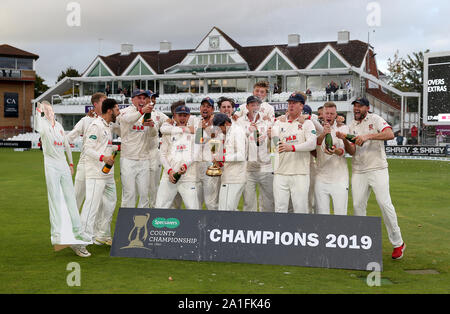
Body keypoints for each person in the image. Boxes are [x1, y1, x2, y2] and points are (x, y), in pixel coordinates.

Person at [336, 97, 405, 260]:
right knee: (358, 206)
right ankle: (362, 242)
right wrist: (344, 139)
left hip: (377, 168)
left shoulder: (375, 119)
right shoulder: (352, 125)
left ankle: (398, 243)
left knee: (384, 203)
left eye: (359, 106)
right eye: (354, 107)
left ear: (367, 108)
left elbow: (389, 134)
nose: (356, 109)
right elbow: (352, 151)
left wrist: (367, 136)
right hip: (359, 170)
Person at [35, 101, 90, 251]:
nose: (49, 112)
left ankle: (77, 232)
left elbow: (67, 146)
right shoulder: (43, 125)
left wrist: (71, 164)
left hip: (64, 165)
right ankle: (57, 235)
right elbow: (36, 125)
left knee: (70, 198)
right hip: (51, 164)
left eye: (50, 110)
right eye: (46, 111)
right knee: (54, 198)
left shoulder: (59, 127)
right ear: (43, 113)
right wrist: (38, 111)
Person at [76, 98, 120, 256]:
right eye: (116, 109)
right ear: (109, 110)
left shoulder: (108, 126)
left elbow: (103, 145)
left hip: (107, 174)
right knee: (91, 208)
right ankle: (79, 242)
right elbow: (87, 149)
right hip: (95, 173)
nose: (118, 112)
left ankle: (100, 235)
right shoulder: (96, 125)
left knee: (110, 203)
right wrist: (103, 157)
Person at [270, 93, 317, 214]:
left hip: (300, 173)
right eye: (289, 103)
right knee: (280, 209)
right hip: (280, 173)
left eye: (294, 103)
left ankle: (300, 233)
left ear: (301, 106)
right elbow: (275, 141)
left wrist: (292, 147)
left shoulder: (307, 123)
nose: (291, 106)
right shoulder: (279, 122)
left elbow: (312, 144)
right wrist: (276, 141)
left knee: (300, 209)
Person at [67, 92, 107, 210]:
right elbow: (70, 137)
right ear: (95, 104)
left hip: (101, 165)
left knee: (98, 200)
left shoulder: (108, 120)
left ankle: (92, 228)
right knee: (77, 197)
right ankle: (70, 226)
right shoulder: (86, 120)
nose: (106, 104)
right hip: (85, 163)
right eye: (103, 102)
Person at [155, 105, 200, 209]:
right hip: (169, 176)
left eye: (185, 115)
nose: (182, 118)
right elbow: (162, 154)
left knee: (193, 209)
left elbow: (196, 153)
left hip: (188, 176)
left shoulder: (196, 132)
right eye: (180, 115)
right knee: (160, 207)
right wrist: (170, 171)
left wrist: (185, 165)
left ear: (189, 116)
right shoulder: (168, 132)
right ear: (174, 116)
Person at [116, 89, 154, 209]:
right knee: (129, 194)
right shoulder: (124, 112)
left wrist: (152, 126)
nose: (142, 100)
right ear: (132, 99)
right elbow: (127, 120)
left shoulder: (149, 113)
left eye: (144, 98)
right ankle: (126, 223)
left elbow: (153, 134)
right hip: (128, 159)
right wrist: (142, 111)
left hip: (144, 159)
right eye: (139, 98)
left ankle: (143, 222)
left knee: (144, 195)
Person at [237, 96, 274, 212]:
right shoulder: (239, 122)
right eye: (252, 105)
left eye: (257, 105)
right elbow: (236, 142)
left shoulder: (268, 120)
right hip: (248, 168)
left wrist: (270, 137)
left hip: (266, 167)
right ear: (247, 107)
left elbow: (276, 143)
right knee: (248, 203)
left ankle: (267, 227)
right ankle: (250, 226)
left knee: (269, 202)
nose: (255, 107)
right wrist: (247, 132)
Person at [314, 102, 349, 215]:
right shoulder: (315, 128)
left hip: (340, 178)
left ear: (336, 115)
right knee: (322, 215)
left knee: (340, 215)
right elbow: (313, 147)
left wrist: (335, 151)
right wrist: (323, 134)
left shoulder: (343, 128)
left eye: (331, 113)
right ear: (322, 114)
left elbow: (344, 151)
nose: (329, 116)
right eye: (327, 113)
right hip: (321, 178)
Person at [213, 113, 247, 211]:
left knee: (227, 210)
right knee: (224, 209)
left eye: (220, 128)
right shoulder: (228, 133)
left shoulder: (237, 132)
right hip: (228, 176)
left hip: (234, 178)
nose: (219, 131)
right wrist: (219, 162)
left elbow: (241, 155)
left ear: (227, 123)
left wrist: (222, 158)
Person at [143, 90, 169, 208]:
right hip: (138, 153)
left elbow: (170, 122)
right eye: (150, 98)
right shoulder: (136, 112)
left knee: (154, 184)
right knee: (139, 186)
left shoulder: (159, 114)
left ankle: (153, 209)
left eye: (154, 98)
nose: (153, 100)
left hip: (153, 152)